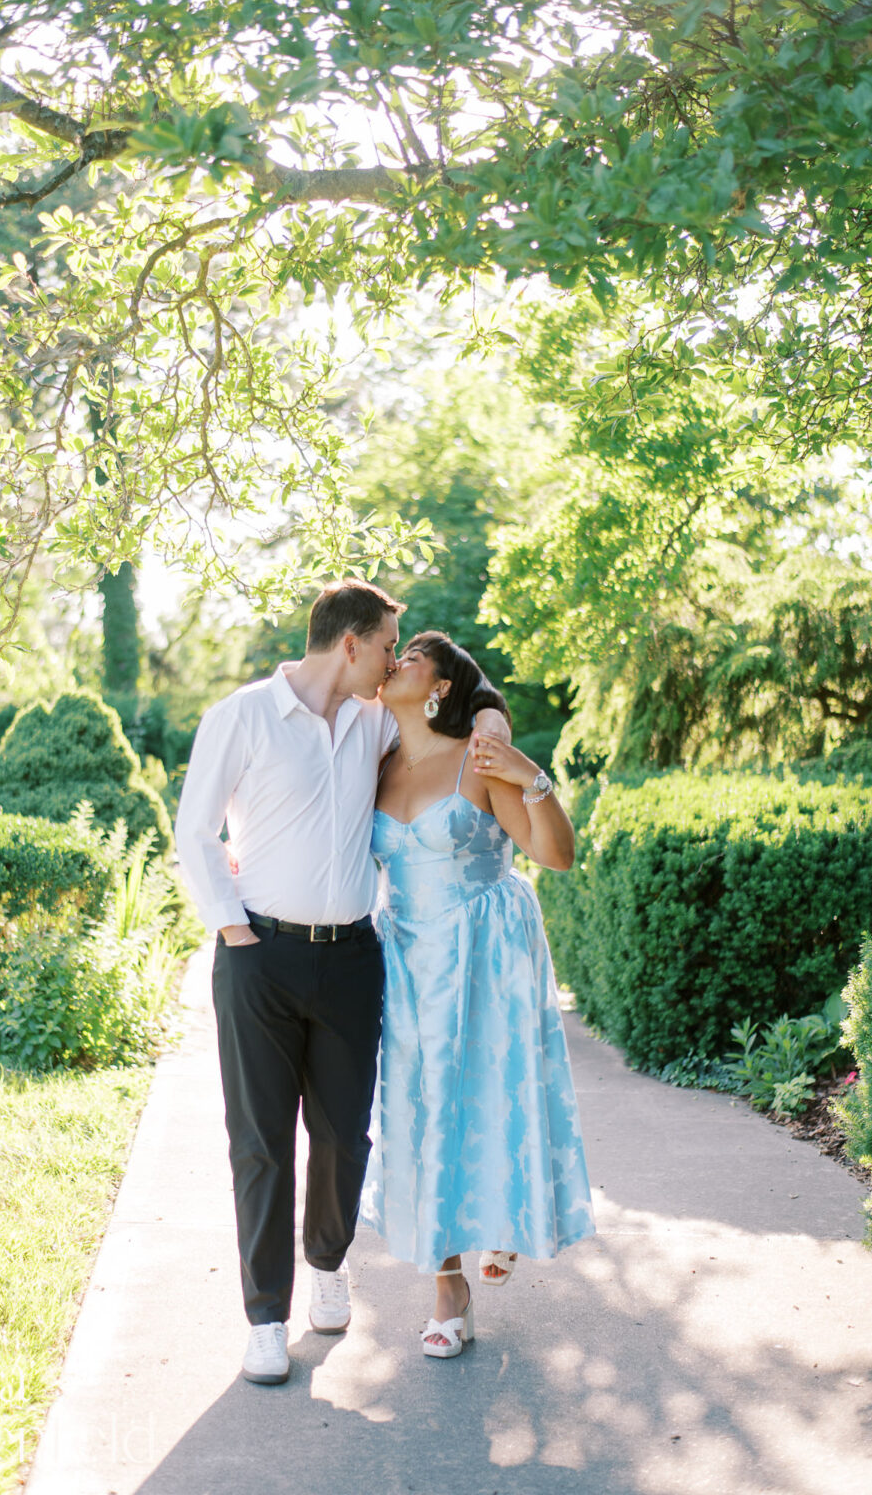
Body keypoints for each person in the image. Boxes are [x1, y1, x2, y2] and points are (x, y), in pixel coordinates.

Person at [175, 583, 509, 1385]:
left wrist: (491, 712)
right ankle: (264, 1317)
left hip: (354, 957)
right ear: (351, 644)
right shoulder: (243, 716)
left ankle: (327, 1261)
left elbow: (465, 685)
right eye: (389, 644)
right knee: (258, 1144)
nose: (396, 658)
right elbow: (195, 827)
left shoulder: (373, 721)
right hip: (259, 955)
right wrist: (233, 931)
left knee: (341, 1133)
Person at [360, 631, 595, 1359]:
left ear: (438, 687)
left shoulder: (480, 755)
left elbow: (554, 855)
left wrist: (531, 775)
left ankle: (503, 1218)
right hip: (403, 953)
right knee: (418, 1110)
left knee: (489, 1094)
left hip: (486, 949)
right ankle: (446, 1284)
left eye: (412, 658)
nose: (393, 661)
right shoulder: (371, 760)